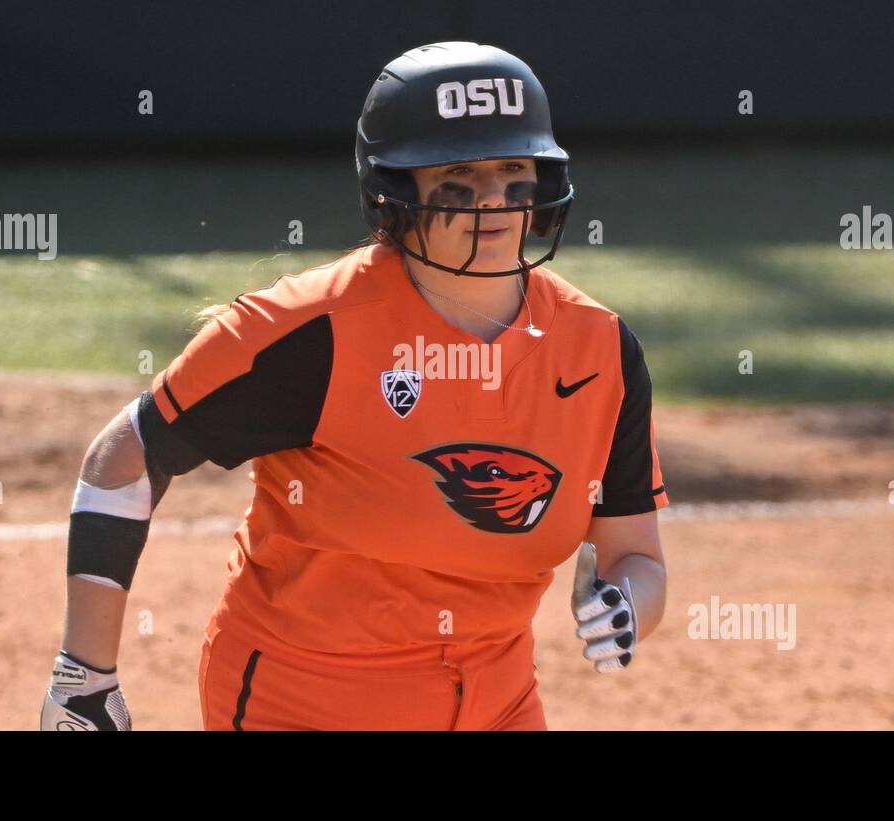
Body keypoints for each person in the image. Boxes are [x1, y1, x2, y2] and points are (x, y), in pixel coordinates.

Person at [41, 41, 668, 731]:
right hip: (303, 704)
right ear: (396, 192)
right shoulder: (311, 335)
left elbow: (635, 553)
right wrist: (84, 677)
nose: (493, 198)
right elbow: (126, 454)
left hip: (497, 706)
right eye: (460, 172)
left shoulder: (599, 351)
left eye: (512, 169)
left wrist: (627, 603)